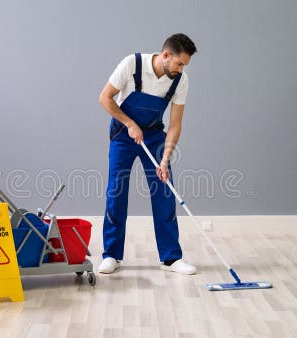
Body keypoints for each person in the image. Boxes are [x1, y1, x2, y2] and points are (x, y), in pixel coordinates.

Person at [97, 33, 197, 275]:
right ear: (165, 55)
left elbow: (175, 124)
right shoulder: (133, 64)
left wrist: (165, 158)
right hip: (123, 134)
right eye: (179, 63)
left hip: (153, 136)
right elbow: (105, 98)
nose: (181, 69)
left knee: (164, 190)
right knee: (116, 191)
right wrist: (129, 123)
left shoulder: (180, 80)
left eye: (185, 65)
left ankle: (172, 257)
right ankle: (111, 255)